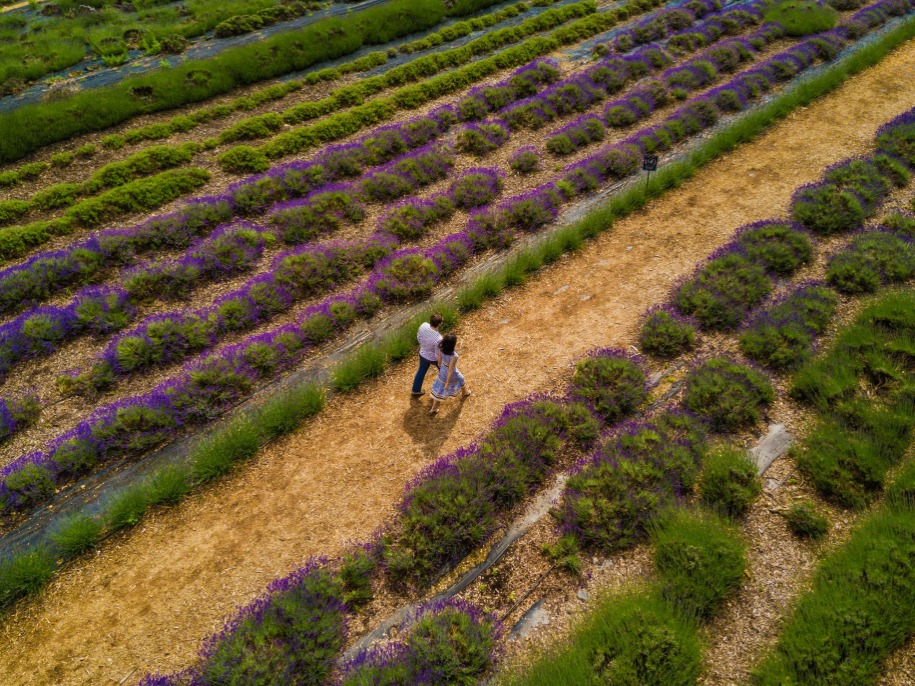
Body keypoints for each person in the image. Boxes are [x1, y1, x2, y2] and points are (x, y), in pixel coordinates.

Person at [429, 333, 471, 415]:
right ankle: (465, 392)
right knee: (461, 379)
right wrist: (447, 383)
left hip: (442, 371)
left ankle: (433, 408)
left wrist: (442, 369)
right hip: (451, 373)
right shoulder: (454, 356)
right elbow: (451, 370)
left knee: (439, 389)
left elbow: (439, 362)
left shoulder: (440, 350)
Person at [412, 313, 443, 396]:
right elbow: (438, 354)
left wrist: (423, 346)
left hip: (423, 354)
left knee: (421, 372)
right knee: (443, 372)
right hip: (433, 358)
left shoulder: (423, 325)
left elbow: (418, 337)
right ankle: (442, 390)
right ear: (439, 324)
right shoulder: (439, 338)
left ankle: (415, 390)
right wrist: (440, 363)